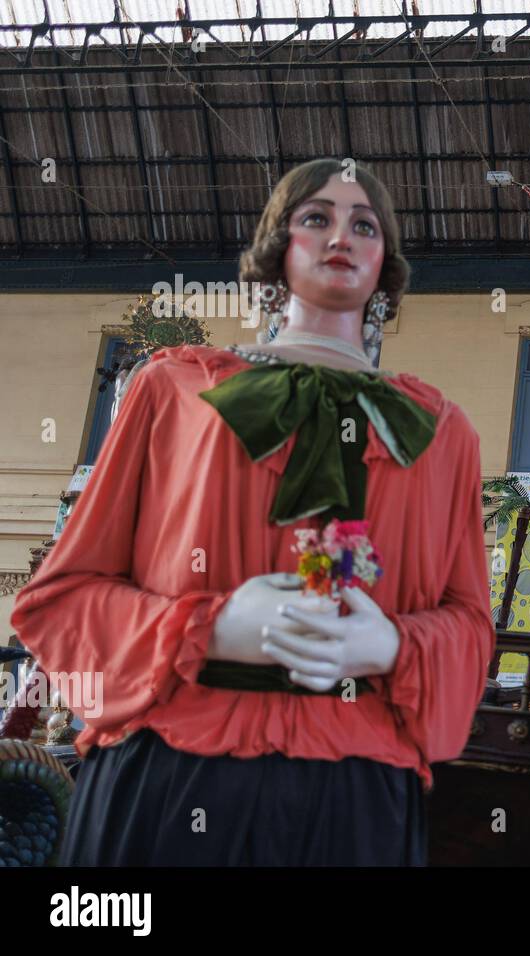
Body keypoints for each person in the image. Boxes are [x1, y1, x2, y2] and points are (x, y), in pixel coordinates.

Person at [11, 159, 495, 865]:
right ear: (277, 247)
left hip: (354, 798)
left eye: (365, 224)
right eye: (316, 218)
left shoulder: (443, 432)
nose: (342, 235)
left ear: (385, 263)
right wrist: (204, 631)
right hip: (171, 778)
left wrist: (392, 647)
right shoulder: (172, 390)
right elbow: (63, 597)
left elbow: (471, 628)